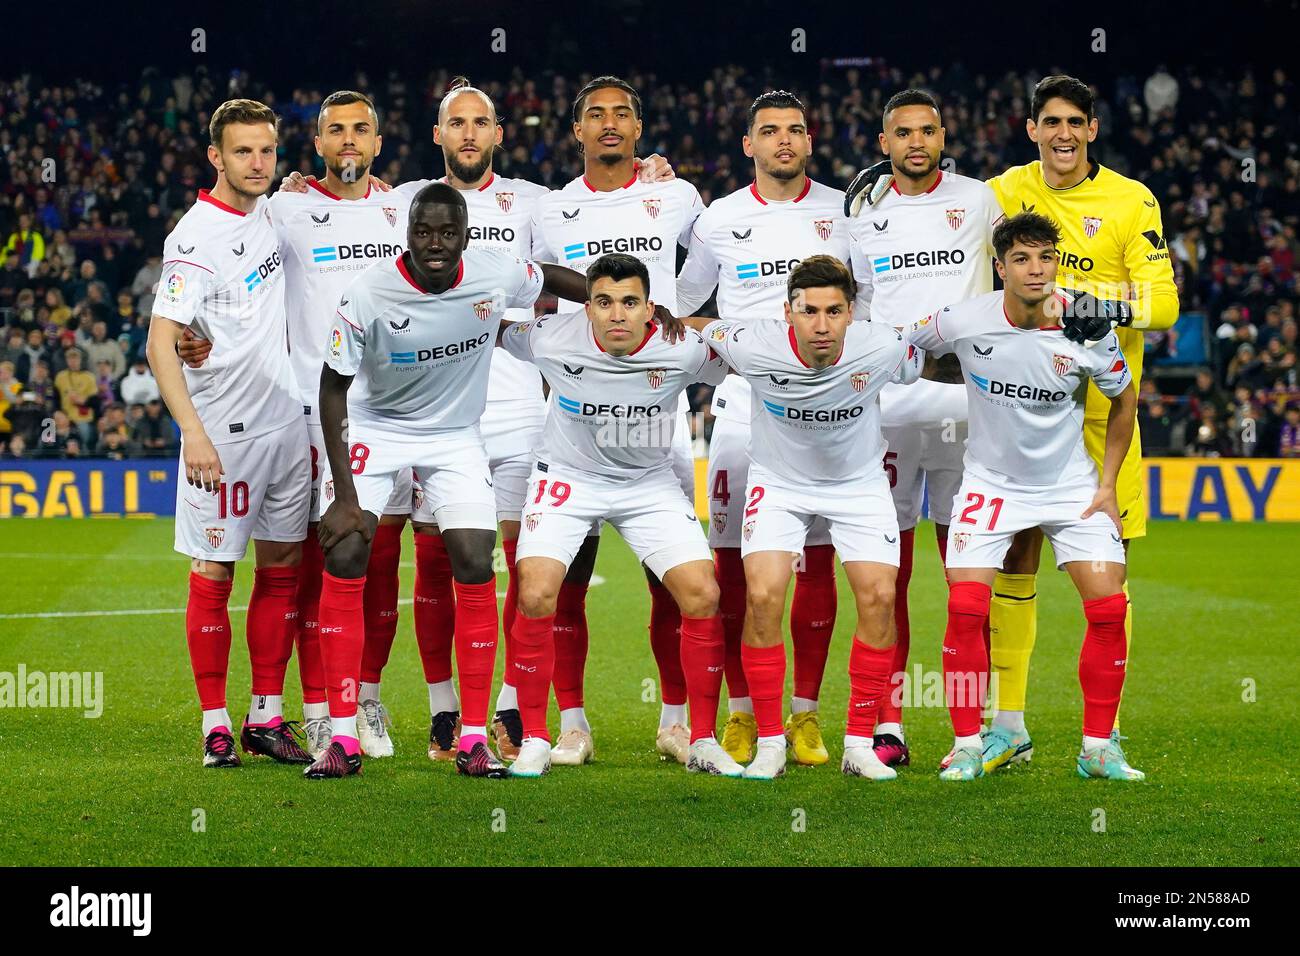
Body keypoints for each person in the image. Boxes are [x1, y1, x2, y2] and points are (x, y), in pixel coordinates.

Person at [311, 181, 587, 779]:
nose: (435, 244)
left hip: (456, 434)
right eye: (423, 232)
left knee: (471, 558)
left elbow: (554, 278)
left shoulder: (493, 274)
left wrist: (616, 299)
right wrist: (346, 497)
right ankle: (340, 737)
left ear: (466, 236)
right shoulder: (368, 293)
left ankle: (470, 738)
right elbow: (332, 390)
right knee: (350, 548)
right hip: (376, 428)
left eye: (447, 233)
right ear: (407, 234)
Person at [906, 212, 1142, 782]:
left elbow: (1125, 399)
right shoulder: (965, 320)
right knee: (965, 608)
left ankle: (1099, 749)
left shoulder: (1085, 326)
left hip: (1070, 488)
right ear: (1000, 267)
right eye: (1022, 259)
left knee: (1109, 608)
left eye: (1045, 257)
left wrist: (1107, 483)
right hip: (990, 486)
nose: (1036, 270)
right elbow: (907, 345)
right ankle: (968, 743)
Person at [502, 253, 734, 777]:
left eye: (630, 302)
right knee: (537, 590)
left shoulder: (682, 347)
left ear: (651, 308)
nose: (617, 315)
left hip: (648, 485)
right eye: (603, 302)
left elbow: (745, 359)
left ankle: (698, 736)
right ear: (588, 308)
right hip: (567, 479)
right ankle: (545, 734)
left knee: (703, 593)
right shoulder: (551, 336)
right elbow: (485, 331)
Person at [693, 255, 923, 780]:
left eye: (834, 311)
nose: (822, 325)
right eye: (809, 311)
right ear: (787, 312)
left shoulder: (883, 345)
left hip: (859, 485)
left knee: (881, 598)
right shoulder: (753, 343)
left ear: (852, 314)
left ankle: (860, 743)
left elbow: (938, 360)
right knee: (763, 596)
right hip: (779, 484)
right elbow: (693, 327)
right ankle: (773, 740)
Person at [531, 75, 704, 766]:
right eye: (595, 114)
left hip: (653, 421)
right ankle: (572, 725)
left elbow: (719, 260)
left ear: (639, 129)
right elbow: (528, 287)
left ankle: (675, 720)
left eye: (622, 114)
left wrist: (681, 319)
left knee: (671, 582)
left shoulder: (677, 195)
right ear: (576, 130)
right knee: (567, 583)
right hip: (577, 417)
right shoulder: (550, 211)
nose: (608, 123)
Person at [674, 90, 849, 767]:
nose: (784, 141)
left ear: (810, 141)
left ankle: (804, 716)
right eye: (769, 131)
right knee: (732, 568)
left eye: (795, 130)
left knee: (817, 563)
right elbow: (683, 307)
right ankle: (743, 715)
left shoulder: (843, 213)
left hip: (828, 412)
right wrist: (723, 348)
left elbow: (865, 307)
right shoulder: (720, 219)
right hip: (746, 408)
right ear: (748, 144)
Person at [146, 98, 313, 770]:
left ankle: (265, 716)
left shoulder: (275, 209)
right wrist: (194, 434)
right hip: (226, 436)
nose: (257, 163)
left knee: (282, 573)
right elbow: (162, 345)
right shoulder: (194, 239)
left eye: (266, 151)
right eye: (242, 152)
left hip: (289, 426)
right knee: (215, 571)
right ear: (215, 156)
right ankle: (215, 723)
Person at [846, 88, 1002, 769]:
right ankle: (891, 721)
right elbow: (855, 309)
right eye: (903, 132)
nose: (916, 141)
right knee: (892, 574)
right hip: (890, 408)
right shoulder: (861, 218)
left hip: (970, 405)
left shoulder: (981, 200)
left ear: (944, 137)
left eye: (928, 131)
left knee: (966, 577)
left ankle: (977, 727)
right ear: (885, 144)